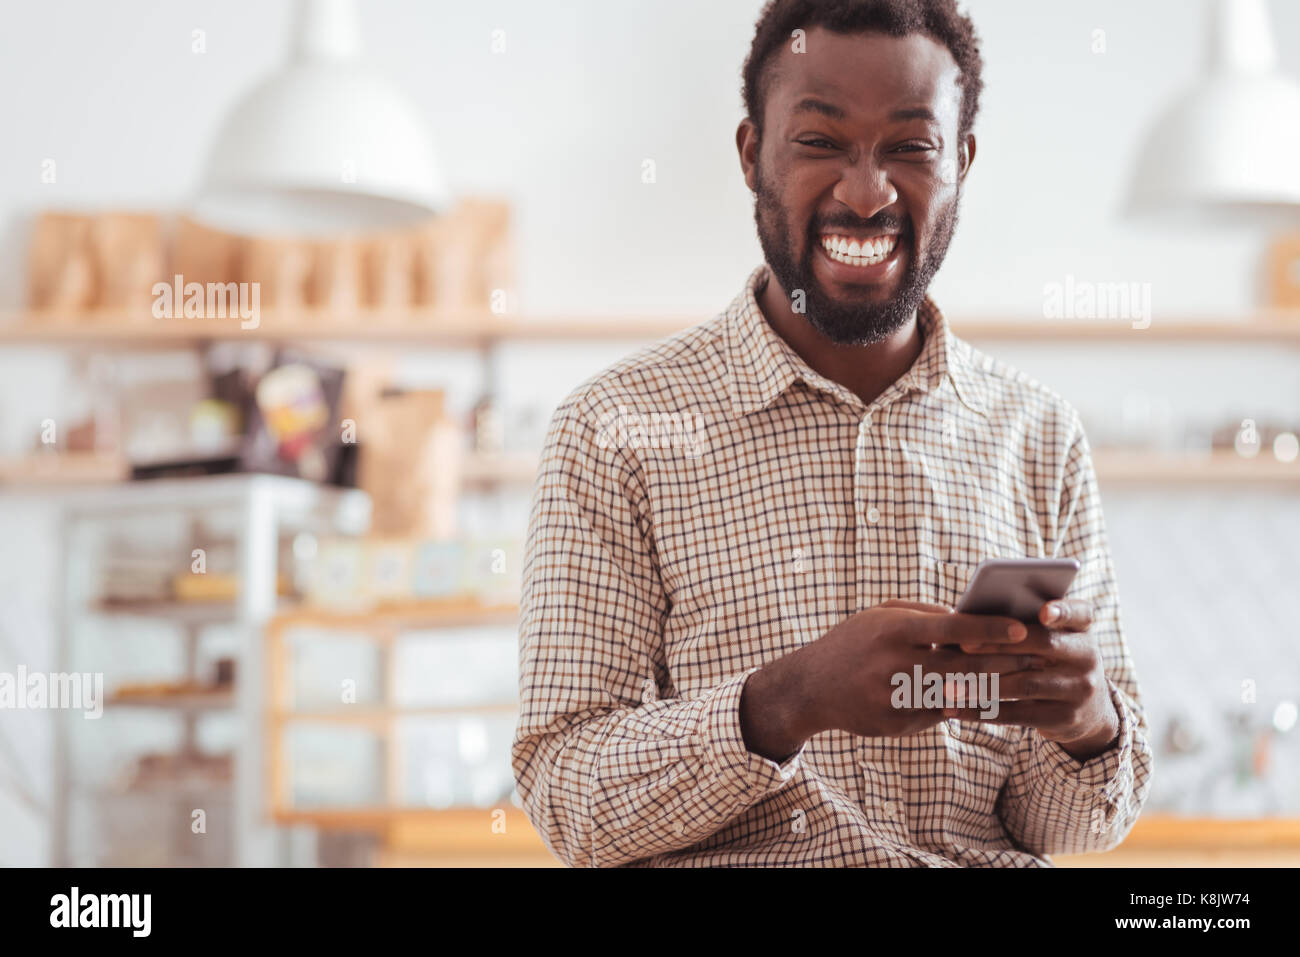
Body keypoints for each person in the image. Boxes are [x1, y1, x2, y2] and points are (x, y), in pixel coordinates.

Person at [512, 0, 1152, 867]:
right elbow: (568, 798)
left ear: (961, 163)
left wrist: (1086, 725)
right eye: (820, 142)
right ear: (752, 156)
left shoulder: (1038, 437)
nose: (866, 192)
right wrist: (785, 702)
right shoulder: (613, 430)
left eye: (910, 147)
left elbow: (1067, 829)